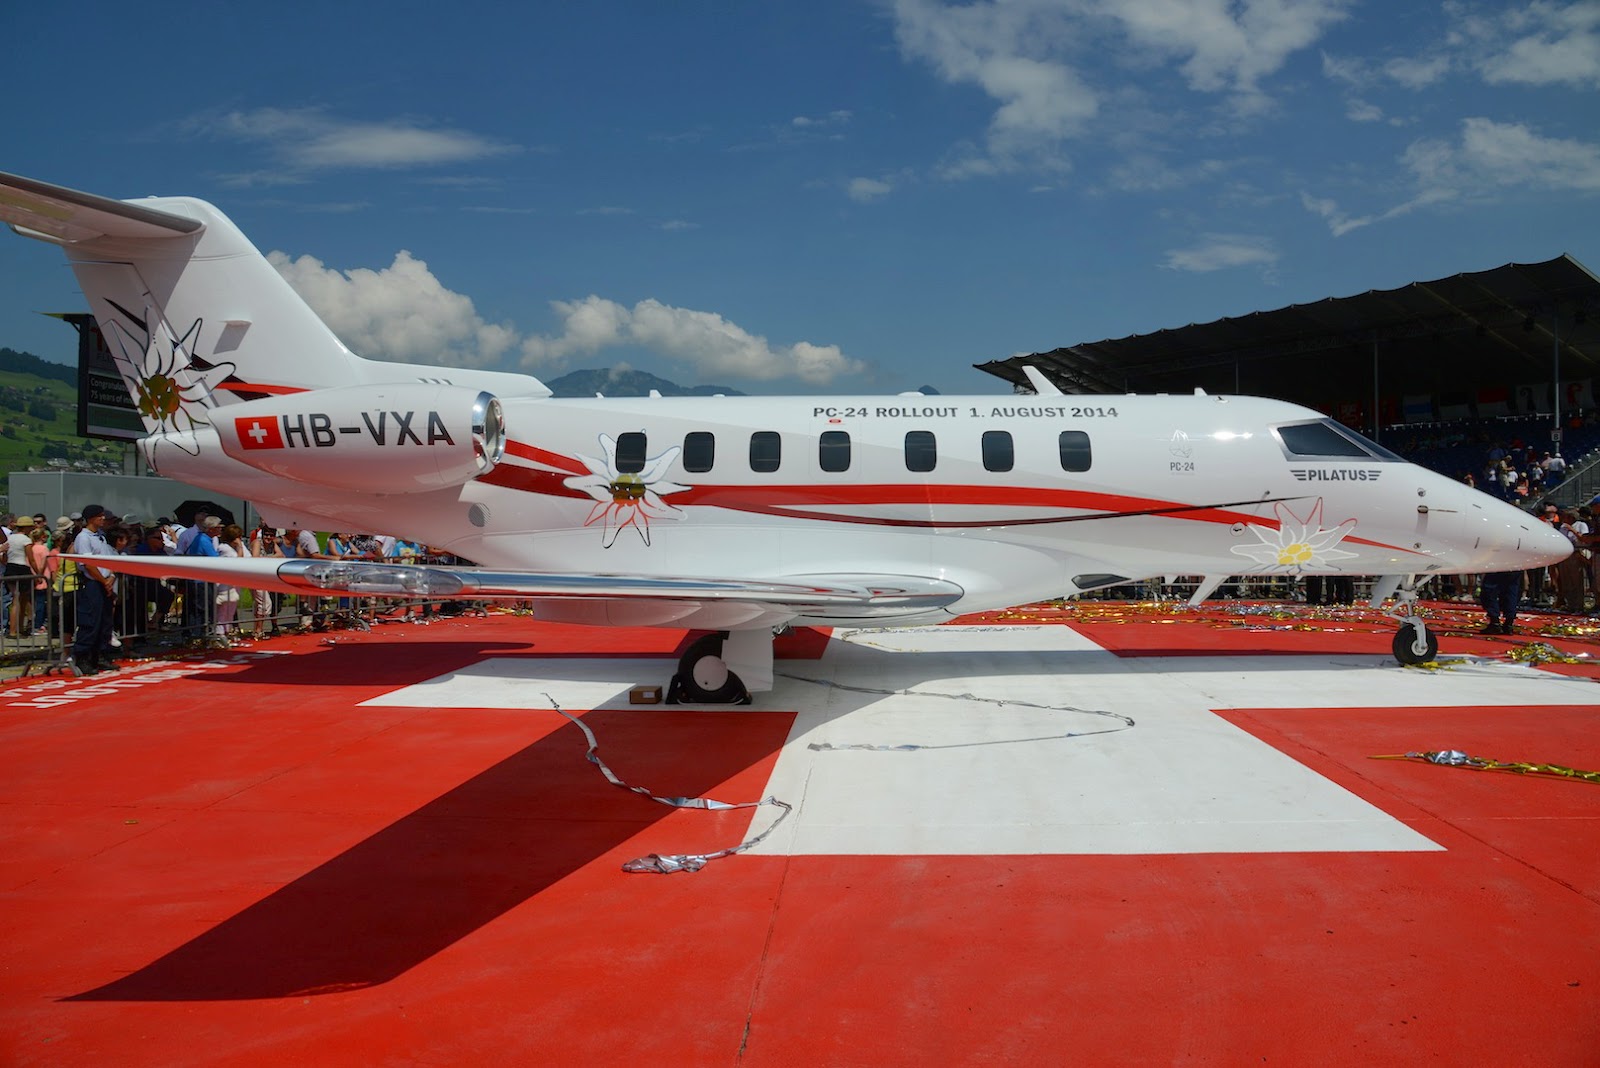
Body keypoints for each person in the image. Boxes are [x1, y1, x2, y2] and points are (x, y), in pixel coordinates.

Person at [70, 505, 118, 675]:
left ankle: (100, 655)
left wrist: (111, 577)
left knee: (105, 621)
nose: (103, 519)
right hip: (93, 583)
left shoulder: (101, 537)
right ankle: (82, 656)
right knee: (91, 621)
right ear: (91, 518)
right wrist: (103, 580)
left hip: (106, 582)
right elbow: (88, 564)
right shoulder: (84, 538)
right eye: (99, 516)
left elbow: (111, 560)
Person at [213, 523, 247, 638]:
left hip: (233, 583)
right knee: (223, 608)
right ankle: (220, 632)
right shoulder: (225, 549)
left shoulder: (231, 548)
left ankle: (227, 630)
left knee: (230, 609)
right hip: (225, 584)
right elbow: (239, 562)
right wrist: (240, 547)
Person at [5, 516, 36, 637]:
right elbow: (31, 559)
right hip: (21, 568)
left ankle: (16, 629)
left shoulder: (10, 538)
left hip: (10, 567)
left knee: (16, 599)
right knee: (20, 600)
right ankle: (16, 629)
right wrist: (38, 573)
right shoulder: (26, 540)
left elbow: (5, 556)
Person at [1479, 569, 1523, 635]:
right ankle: (1509, 623)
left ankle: (1495, 622)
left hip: (1499, 566)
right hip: (1515, 565)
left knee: (1489, 590)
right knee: (1511, 591)